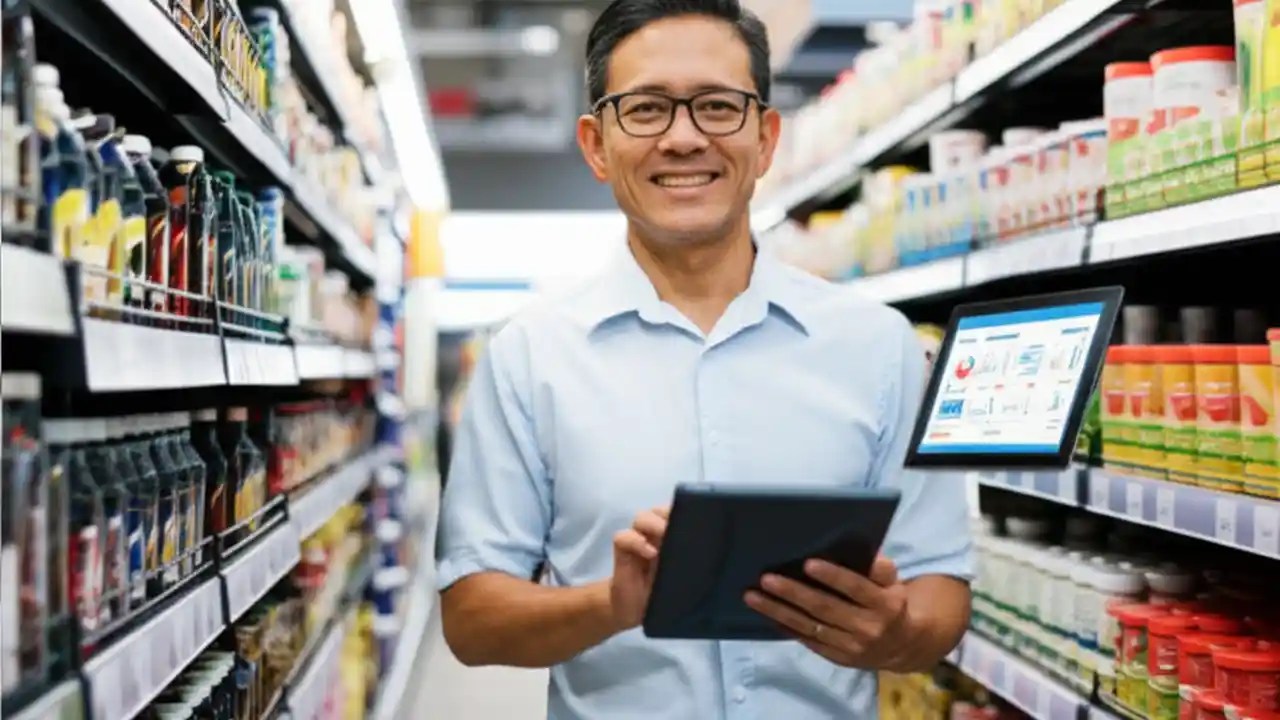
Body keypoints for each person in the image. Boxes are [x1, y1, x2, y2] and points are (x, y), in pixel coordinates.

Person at [435, 0, 973, 717]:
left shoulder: (878, 346)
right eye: (647, 109)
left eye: (718, 107)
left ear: (766, 137)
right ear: (596, 145)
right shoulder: (531, 356)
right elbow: (472, 619)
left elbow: (939, 590)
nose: (684, 138)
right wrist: (613, 603)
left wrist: (892, 634)